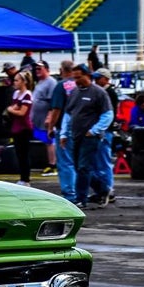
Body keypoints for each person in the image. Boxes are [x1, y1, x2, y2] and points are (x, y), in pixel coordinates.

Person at [59, 64, 113, 209]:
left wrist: (95, 130)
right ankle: (103, 189)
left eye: (78, 77)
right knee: (79, 168)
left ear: (87, 75)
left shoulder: (99, 93)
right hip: (76, 135)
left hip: (90, 137)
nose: (76, 80)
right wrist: (64, 133)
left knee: (83, 167)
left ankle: (80, 199)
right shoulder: (74, 93)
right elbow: (68, 114)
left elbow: (108, 114)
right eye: (74, 77)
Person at [45, 61, 79, 201]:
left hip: (65, 128)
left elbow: (57, 109)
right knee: (78, 162)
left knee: (65, 162)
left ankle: (69, 194)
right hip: (81, 128)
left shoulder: (62, 86)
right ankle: (80, 192)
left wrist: (50, 126)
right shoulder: (80, 84)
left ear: (62, 70)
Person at [91, 68, 119, 204]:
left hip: (104, 131)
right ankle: (103, 190)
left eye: (98, 78)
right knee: (99, 162)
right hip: (102, 131)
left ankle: (108, 189)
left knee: (103, 162)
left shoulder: (109, 93)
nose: (96, 80)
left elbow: (108, 114)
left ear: (106, 79)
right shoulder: (104, 92)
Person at [6, 70, 34, 186]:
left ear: (24, 82)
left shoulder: (27, 95)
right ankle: (22, 177)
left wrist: (11, 109)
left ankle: (26, 179)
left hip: (24, 128)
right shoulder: (16, 94)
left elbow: (22, 112)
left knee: (24, 154)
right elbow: (15, 107)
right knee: (19, 154)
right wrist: (14, 109)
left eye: (17, 80)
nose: (15, 82)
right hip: (16, 127)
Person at [30, 60, 57, 176]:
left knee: (49, 140)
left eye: (39, 68)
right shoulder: (40, 82)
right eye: (36, 69)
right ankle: (47, 162)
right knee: (45, 141)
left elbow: (53, 101)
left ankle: (52, 165)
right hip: (37, 119)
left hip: (45, 118)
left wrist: (49, 117)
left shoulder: (51, 82)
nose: (37, 71)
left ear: (47, 69)